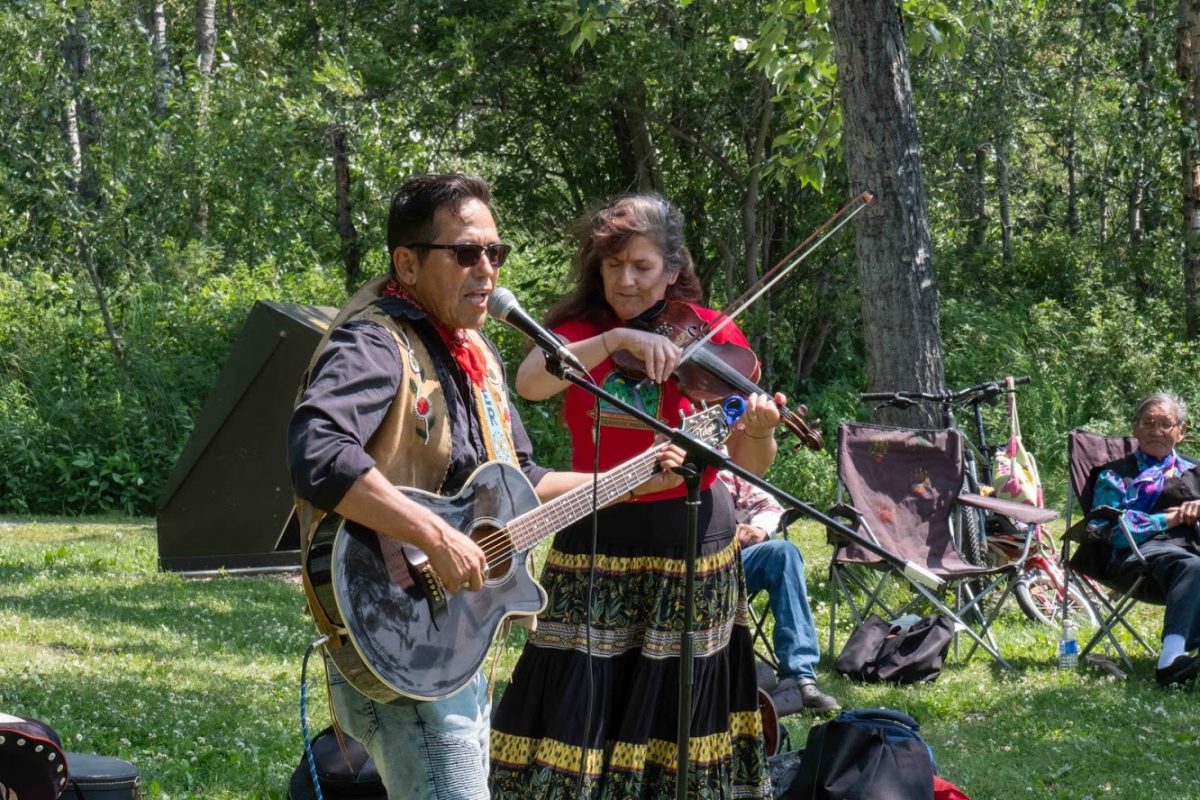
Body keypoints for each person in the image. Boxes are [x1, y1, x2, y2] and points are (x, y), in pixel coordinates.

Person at [287, 174, 681, 799]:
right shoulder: (375, 342)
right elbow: (317, 451)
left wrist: (626, 482)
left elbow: (519, 480)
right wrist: (433, 534)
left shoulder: (474, 353)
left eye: (495, 253)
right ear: (407, 264)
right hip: (396, 620)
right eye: (466, 253)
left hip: (453, 636)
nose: (487, 269)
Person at [489, 194, 777, 798]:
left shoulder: (710, 334)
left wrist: (760, 430)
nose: (626, 280)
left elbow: (749, 462)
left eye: (642, 266)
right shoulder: (575, 333)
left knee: (680, 694)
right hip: (595, 527)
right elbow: (533, 382)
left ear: (672, 270)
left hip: (690, 535)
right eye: (612, 265)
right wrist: (612, 339)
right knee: (581, 682)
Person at [1089, 391, 1200, 687]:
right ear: (1135, 428)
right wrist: (1171, 518)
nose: (1156, 431)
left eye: (1165, 424)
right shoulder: (1114, 476)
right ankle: (1170, 662)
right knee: (1192, 566)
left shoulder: (1196, 471)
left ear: (1181, 430)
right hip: (1139, 558)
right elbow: (1109, 529)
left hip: (1192, 548)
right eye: (1148, 423)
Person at [716, 469, 840, 715]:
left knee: (783, 553)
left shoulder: (723, 467)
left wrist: (759, 528)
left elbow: (768, 504)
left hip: (732, 563)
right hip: (677, 564)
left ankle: (800, 678)